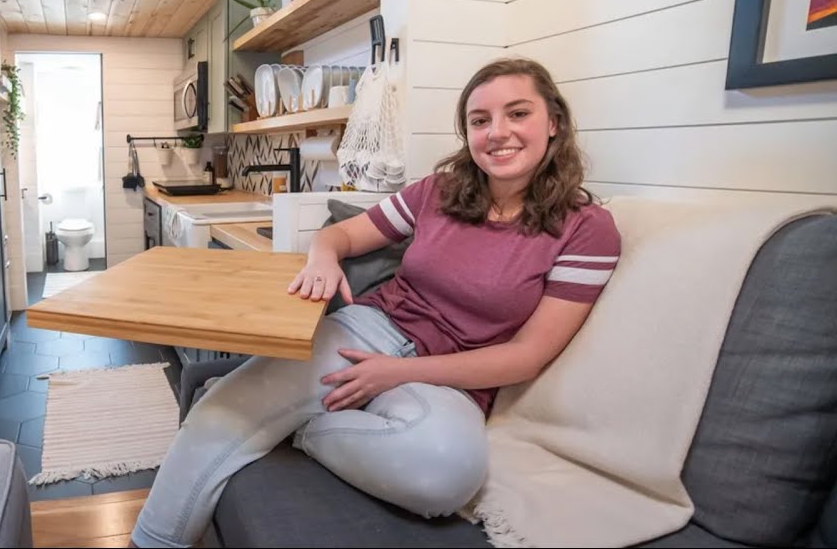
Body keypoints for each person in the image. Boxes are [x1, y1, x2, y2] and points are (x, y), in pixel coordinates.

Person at [129, 58, 623, 548]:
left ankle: (298, 421)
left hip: (453, 378)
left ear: (553, 122)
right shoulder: (439, 190)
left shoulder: (587, 229)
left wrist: (396, 373)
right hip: (370, 331)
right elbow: (342, 235)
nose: (497, 132)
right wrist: (322, 256)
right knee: (222, 411)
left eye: (518, 114)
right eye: (480, 120)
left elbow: (528, 356)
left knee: (447, 474)